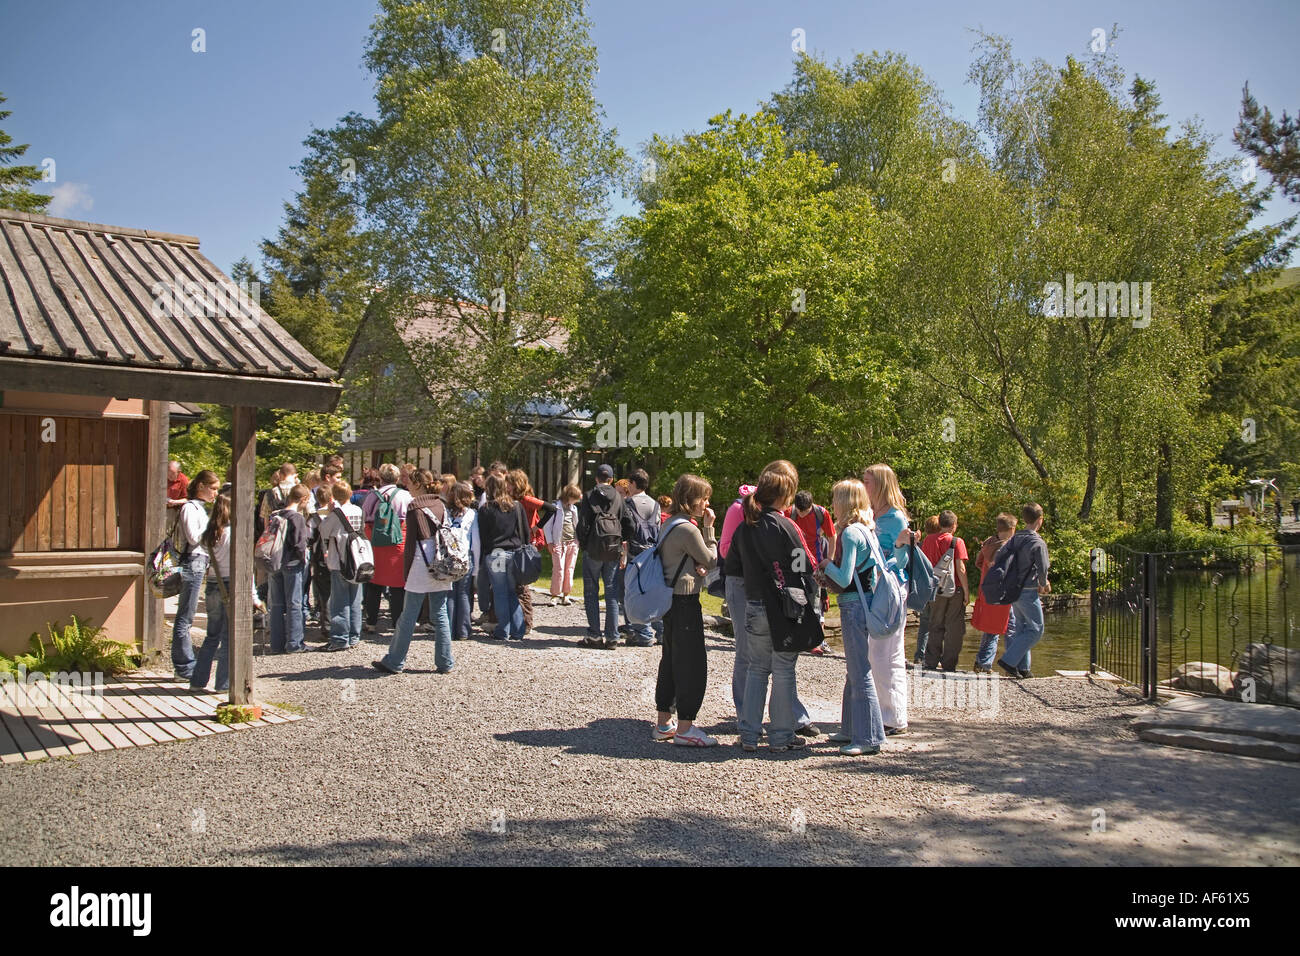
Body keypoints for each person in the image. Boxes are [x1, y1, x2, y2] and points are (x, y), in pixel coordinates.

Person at [719, 466, 817, 737]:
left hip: (753, 603)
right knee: (784, 668)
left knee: (756, 668)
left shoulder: (745, 527)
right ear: (784, 496)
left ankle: (749, 731)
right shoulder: (785, 526)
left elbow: (733, 561)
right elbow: (803, 565)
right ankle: (781, 734)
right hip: (779, 603)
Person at [816, 479, 887, 756]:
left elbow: (844, 576)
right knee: (854, 670)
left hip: (854, 606)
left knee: (860, 673)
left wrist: (824, 565)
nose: (832, 503)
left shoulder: (849, 533)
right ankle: (849, 728)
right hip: (865, 603)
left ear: (844, 502)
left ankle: (869, 737)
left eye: (835, 498)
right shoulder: (867, 529)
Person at [653, 474, 718, 747]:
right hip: (685, 600)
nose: (705, 504)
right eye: (703, 498)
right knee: (691, 664)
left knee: (670, 660)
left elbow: (682, 559)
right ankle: (686, 727)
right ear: (690, 498)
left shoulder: (669, 524)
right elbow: (712, 559)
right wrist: (709, 529)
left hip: (670, 600)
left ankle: (664, 721)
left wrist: (696, 565)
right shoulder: (689, 529)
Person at [374, 470, 456, 674]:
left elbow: (410, 544)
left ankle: (395, 660)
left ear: (418, 484)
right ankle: (445, 662)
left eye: (410, 481)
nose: (406, 485)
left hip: (421, 563)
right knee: (440, 613)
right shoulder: (441, 504)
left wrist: (406, 571)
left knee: (408, 614)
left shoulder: (415, 507)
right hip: (441, 562)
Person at [191, 494, 264, 692]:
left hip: (213, 585)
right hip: (231, 585)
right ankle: (223, 683)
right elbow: (245, 569)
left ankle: (197, 680)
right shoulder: (235, 535)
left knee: (212, 635)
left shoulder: (209, 535)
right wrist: (254, 598)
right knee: (229, 637)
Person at [862, 462, 911, 735]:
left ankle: (893, 717)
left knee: (886, 653)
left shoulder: (895, 518)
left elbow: (902, 560)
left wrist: (895, 551)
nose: (863, 486)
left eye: (867, 482)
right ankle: (885, 713)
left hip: (891, 589)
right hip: (875, 589)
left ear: (880, 484)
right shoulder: (872, 515)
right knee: (878, 653)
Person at [170, 470, 219, 681]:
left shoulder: (199, 508)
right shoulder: (190, 508)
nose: (215, 493)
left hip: (200, 561)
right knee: (185, 616)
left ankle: (186, 664)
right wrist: (212, 530)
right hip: (193, 562)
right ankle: (183, 666)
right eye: (213, 488)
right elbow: (193, 537)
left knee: (187, 616)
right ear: (201, 486)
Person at [996, 503, 1052, 679]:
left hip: (1013, 589)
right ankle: (1009, 661)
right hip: (1028, 589)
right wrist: (1044, 583)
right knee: (1036, 629)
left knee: (1021, 628)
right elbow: (1043, 567)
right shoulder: (1037, 541)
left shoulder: (1015, 538)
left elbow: (1000, 557)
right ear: (1040, 520)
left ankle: (1024, 668)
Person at [576, 463, 625, 648]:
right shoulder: (619, 498)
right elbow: (628, 523)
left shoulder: (589, 496)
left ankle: (594, 635)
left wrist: (584, 543)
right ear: (611, 479)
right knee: (611, 593)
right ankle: (613, 637)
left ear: (596, 478)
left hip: (593, 549)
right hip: (613, 549)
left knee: (591, 592)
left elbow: (582, 524)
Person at [476, 472, 528, 640]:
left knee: (499, 593)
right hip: (514, 552)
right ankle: (519, 630)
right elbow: (524, 531)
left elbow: (483, 536)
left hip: (496, 553)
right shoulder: (517, 506)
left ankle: (503, 630)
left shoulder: (486, 509)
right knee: (512, 592)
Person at [361, 463, 412, 633]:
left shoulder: (371, 496)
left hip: (375, 539)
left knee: (374, 582)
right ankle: (397, 621)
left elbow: (365, 516)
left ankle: (371, 621)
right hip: (397, 541)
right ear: (397, 478)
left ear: (381, 478)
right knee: (398, 584)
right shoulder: (405, 496)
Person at [784, 489, 836, 654]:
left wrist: (830, 559)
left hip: (815, 562)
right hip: (795, 561)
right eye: (799, 511)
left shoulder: (821, 513)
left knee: (814, 600)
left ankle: (813, 641)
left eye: (805, 511)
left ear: (811, 506)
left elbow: (832, 536)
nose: (802, 514)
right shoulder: (789, 513)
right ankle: (795, 636)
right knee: (794, 598)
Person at [922, 510, 970, 672]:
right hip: (954, 589)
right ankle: (949, 664)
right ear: (954, 525)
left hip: (935, 589)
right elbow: (960, 568)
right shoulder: (957, 542)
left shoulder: (928, 540)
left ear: (940, 523)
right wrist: (966, 591)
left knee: (935, 625)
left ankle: (930, 661)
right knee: (954, 628)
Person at [268, 484, 312, 654]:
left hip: (274, 562)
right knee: (294, 603)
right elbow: (299, 544)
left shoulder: (275, 515)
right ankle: (295, 642)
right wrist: (304, 560)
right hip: (292, 563)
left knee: (277, 604)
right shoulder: (297, 518)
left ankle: (276, 643)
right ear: (303, 499)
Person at [322, 480, 366, 650]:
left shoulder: (335, 514)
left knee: (339, 600)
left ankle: (340, 638)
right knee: (355, 598)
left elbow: (324, 531)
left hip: (339, 558)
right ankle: (354, 635)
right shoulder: (358, 511)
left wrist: (330, 513)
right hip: (357, 558)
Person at [622, 468, 663, 647]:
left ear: (633, 483)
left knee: (635, 592)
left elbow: (625, 530)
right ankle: (662, 632)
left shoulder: (628, 503)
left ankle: (643, 633)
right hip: (653, 552)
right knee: (653, 592)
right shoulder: (656, 504)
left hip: (635, 553)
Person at [973, 513, 1017, 673]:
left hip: (987, 589)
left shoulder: (988, 543)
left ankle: (982, 662)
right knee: (1004, 628)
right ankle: (1009, 663)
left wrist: (987, 573)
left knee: (994, 627)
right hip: (1002, 592)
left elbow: (978, 562)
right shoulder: (1008, 547)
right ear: (1012, 529)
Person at [507, 469, 543, 635]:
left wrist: (537, 526)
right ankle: (520, 620)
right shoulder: (515, 500)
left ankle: (527, 622)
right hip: (518, 542)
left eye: (509, 483)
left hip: (526, 544)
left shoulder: (526, 499)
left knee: (522, 585)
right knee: (517, 584)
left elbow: (551, 508)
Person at [446, 481, 481, 641]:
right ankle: (464, 630)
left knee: (450, 593)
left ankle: (448, 629)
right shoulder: (472, 514)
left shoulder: (445, 513)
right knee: (464, 593)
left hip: (448, 556)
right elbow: (476, 541)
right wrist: (476, 567)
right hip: (466, 555)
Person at [544, 484, 582, 606]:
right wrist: (550, 542)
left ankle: (566, 595)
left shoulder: (574, 509)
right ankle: (555, 595)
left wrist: (578, 541)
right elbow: (547, 526)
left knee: (569, 569)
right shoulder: (555, 507)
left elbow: (576, 525)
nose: (575, 501)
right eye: (574, 498)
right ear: (568, 496)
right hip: (558, 543)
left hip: (572, 542)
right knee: (558, 569)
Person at [913, 514, 940, 665]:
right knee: (936, 623)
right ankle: (932, 657)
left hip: (923, 587)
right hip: (936, 586)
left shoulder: (921, 545)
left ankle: (919, 655)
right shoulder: (941, 542)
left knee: (924, 623)